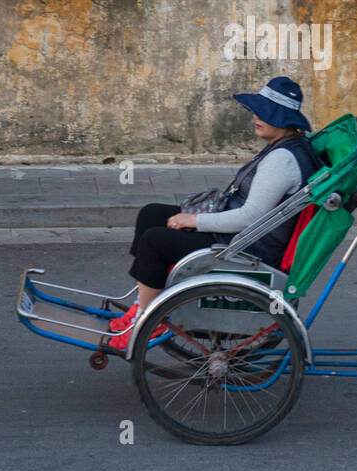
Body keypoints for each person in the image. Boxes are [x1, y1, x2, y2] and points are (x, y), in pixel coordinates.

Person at [106, 76, 324, 352]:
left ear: (283, 119)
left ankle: (148, 320)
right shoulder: (287, 147)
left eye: (265, 113)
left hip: (245, 246)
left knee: (155, 241)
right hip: (241, 235)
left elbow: (250, 217)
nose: (256, 116)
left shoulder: (282, 161)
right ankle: (144, 302)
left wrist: (195, 220)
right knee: (152, 214)